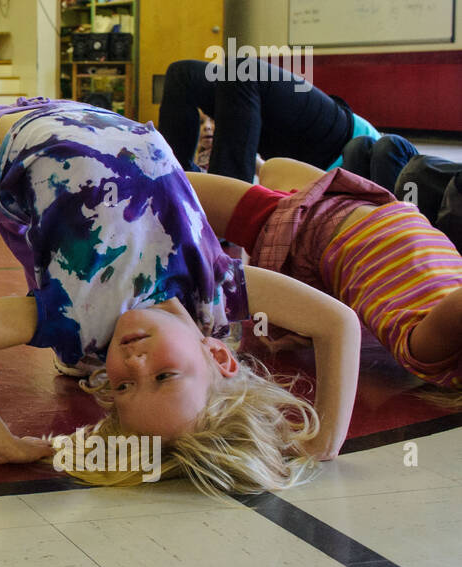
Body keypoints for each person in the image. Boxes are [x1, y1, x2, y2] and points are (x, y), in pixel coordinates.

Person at [0, 99, 362, 494]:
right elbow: (340, 323)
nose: (136, 363)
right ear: (218, 353)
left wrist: (2, 441)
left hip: (58, 134)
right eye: (163, 376)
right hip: (28, 139)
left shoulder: (142, 304)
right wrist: (326, 443)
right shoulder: (212, 288)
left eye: (120, 384)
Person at [188, 159, 462, 393]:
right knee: (274, 167)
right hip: (374, 209)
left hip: (317, 227)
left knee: (168, 185)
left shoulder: (433, 354)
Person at [158, 59, 380, 182]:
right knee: (182, 73)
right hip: (309, 145)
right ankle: (173, 185)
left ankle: (223, 209)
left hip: (342, 143)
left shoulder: (387, 160)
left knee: (241, 71)